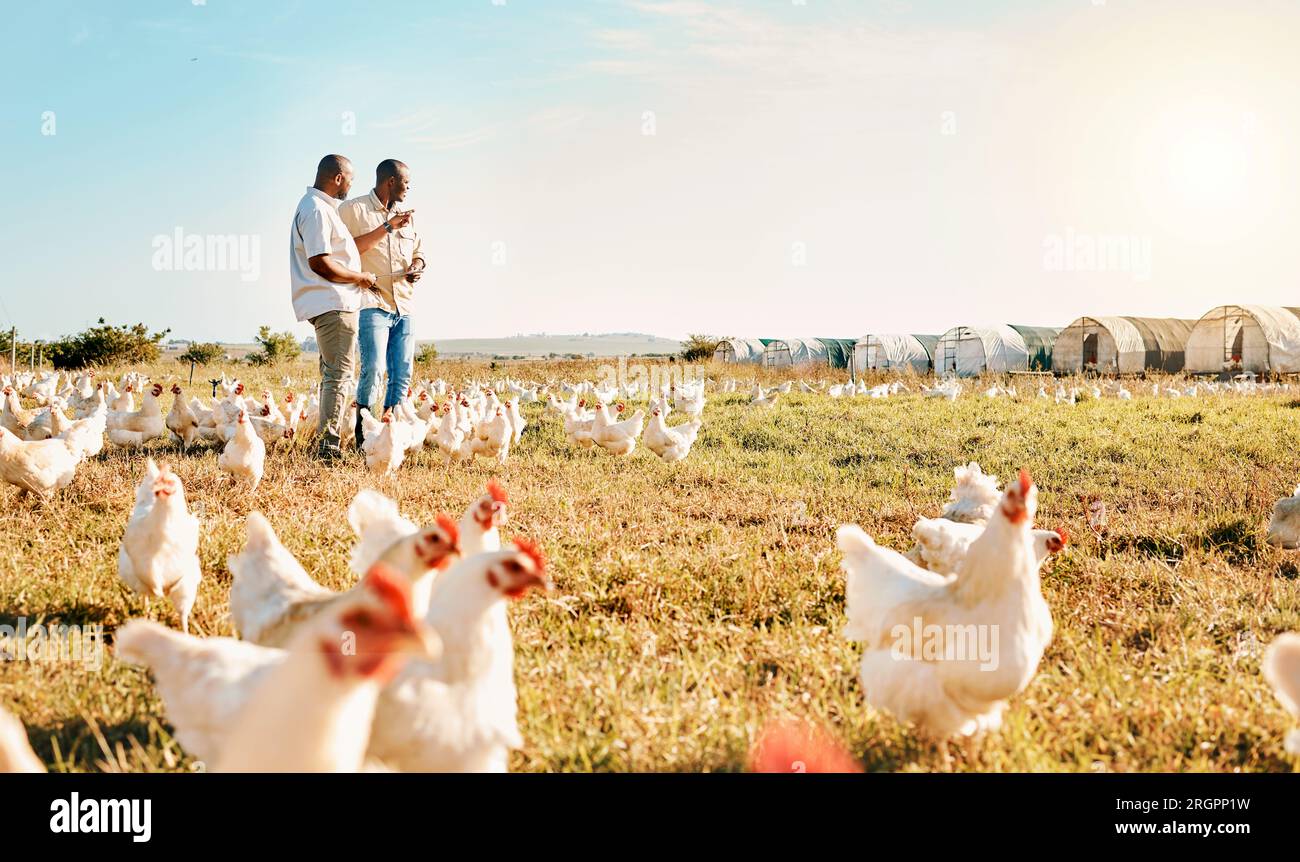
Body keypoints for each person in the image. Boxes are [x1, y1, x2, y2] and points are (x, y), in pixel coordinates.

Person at [289, 154, 411, 460]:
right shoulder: (316, 210)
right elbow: (320, 262)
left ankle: (327, 443)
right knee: (340, 376)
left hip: (332, 302)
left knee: (333, 374)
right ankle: (328, 449)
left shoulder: (319, 208)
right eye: (351, 179)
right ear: (338, 178)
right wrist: (360, 277)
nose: (352, 186)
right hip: (333, 302)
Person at [339, 159, 424, 449]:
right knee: (373, 369)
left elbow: (419, 250)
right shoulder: (353, 210)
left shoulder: (407, 216)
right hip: (371, 302)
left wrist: (418, 265)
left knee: (402, 372)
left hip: (404, 305)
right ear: (390, 181)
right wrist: (387, 227)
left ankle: (392, 436)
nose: (409, 188)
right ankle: (365, 435)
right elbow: (345, 251)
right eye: (406, 182)